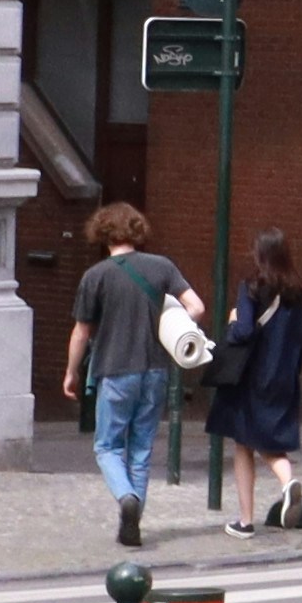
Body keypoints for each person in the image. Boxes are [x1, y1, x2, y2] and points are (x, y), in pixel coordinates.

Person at [63, 201, 185, 550]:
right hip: (156, 370)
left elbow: (81, 332)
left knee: (107, 446)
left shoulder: (96, 276)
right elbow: (196, 307)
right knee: (142, 448)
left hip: (115, 371)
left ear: (102, 234)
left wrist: (72, 372)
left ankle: (126, 497)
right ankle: (133, 525)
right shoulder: (162, 267)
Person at [209, 230, 302, 532]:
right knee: (262, 439)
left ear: (260, 255)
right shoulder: (299, 293)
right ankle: (286, 481)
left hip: (251, 377)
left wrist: (232, 321)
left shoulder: (253, 287)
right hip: (284, 376)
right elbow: (300, 340)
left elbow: (242, 332)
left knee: (245, 443)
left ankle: (247, 519)